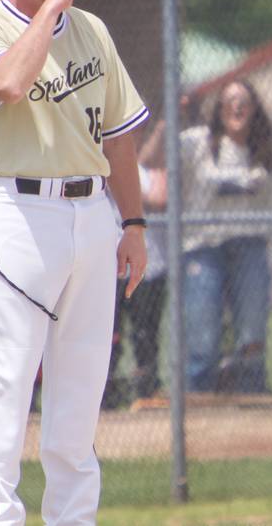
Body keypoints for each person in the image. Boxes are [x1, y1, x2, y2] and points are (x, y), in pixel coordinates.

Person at [0, 0, 149, 524]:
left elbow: (117, 135)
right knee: (7, 383)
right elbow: (9, 83)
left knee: (80, 395)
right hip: (19, 213)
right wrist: (51, 11)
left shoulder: (93, 32)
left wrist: (136, 224)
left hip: (92, 214)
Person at [156, 81, 272, 393]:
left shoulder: (270, 143)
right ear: (219, 110)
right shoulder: (199, 143)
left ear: (254, 108)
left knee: (251, 335)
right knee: (203, 338)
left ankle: (254, 410)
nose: (236, 107)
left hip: (250, 242)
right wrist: (168, 119)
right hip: (202, 246)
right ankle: (196, 408)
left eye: (244, 101)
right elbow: (151, 160)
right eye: (228, 101)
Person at [104, 154, 169, 408]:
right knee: (109, 334)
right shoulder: (98, 163)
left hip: (150, 266)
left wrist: (125, 186)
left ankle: (146, 391)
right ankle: (105, 393)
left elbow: (160, 198)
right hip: (110, 267)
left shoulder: (146, 170)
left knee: (145, 334)